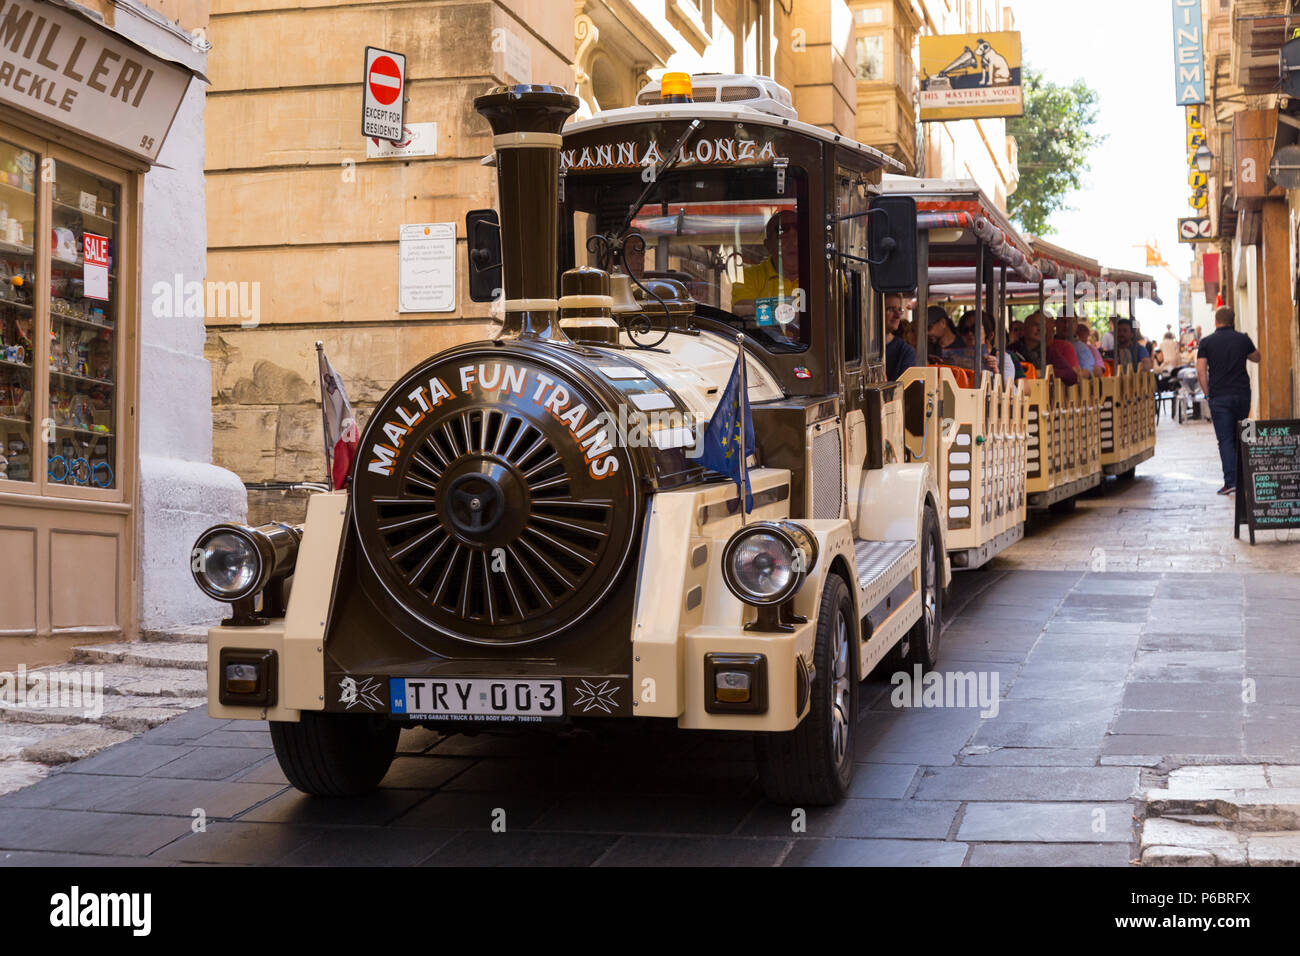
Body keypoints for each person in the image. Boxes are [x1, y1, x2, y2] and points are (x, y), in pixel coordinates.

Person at [1197, 306, 1261, 495]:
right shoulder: (1243, 339)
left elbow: (1201, 370)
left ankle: (1231, 481)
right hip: (1242, 395)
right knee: (1244, 435)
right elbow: (1257, 358)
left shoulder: (1206, 342)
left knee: (1225, 439)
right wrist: (1245, 349)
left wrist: (1207, 394)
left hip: (1219, 397)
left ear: (1216, 321)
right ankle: (1248, 478)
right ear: (1233, 321)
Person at [732, 210, 801, 342]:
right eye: (783, 235)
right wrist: (795, 315)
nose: (794, 242)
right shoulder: (749, 276)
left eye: (798, 234)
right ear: (768, 245)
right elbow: (740, 310)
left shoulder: (823, 274)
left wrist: (764, 311)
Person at [884, 292, 915, 381]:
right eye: (891, 309)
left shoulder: (905, 352)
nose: (898, 315)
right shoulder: (860, 348)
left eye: (899, 309)